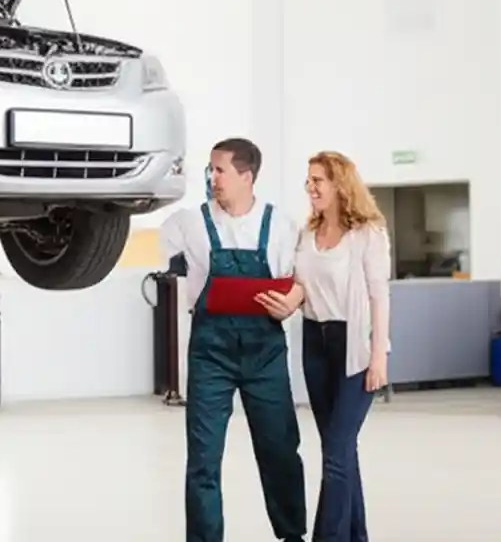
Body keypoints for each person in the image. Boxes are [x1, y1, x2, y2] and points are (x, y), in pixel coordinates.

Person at [160, 138, 308, 542]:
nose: (213, 178)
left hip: (266, 353)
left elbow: (301, 279)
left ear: (247, 176)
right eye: (211, 170)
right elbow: (163, 259)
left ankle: (293, 535)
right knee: (203, 460)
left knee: (280, 451)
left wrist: (293, 299)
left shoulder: (281, 224)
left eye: (220, 170)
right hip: (211, 354)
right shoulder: (188, 223)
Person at [289, 151, 390, 542]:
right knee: (340, 450)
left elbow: (380, 297)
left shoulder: (368, 234)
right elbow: (300, 285)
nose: (311, 187)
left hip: (356, 344)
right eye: (309, 180)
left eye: (319, 180)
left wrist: (378, 355)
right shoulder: (306, 234)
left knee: (336, 452)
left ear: (340, 185)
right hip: (316, 340)